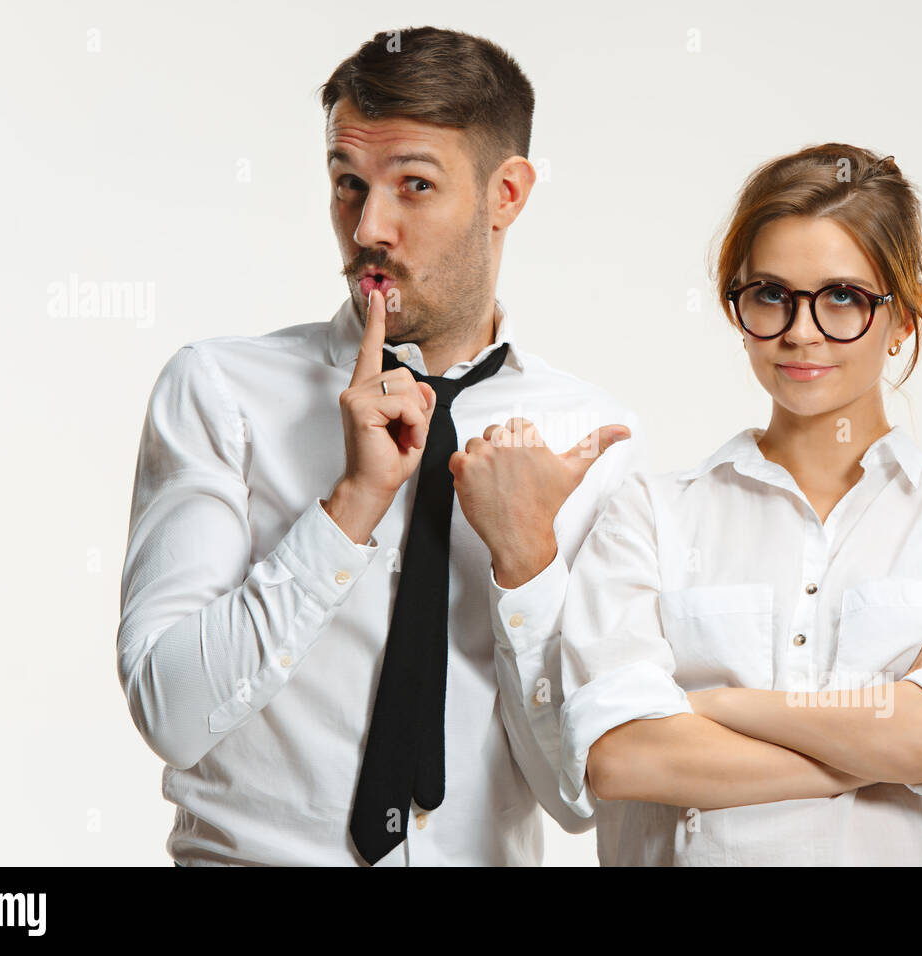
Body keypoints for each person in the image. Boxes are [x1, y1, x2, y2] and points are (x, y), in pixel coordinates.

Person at [116, 26, 641, 866]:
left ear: (506, 193)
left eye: (416, 185)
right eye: (347, 184)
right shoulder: (220, 391)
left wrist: (528, 560)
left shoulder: (589, 436)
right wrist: (349, 507)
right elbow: (170, 712)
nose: (369, 227)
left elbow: (578, 793)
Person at [550, 144, 922, 865]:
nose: (801, 330)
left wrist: (713, 707)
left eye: (843, 296)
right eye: (771, 294)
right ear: (738, 302)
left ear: (903, 316)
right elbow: (625, 760)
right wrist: (891, 733)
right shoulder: (651, 516)